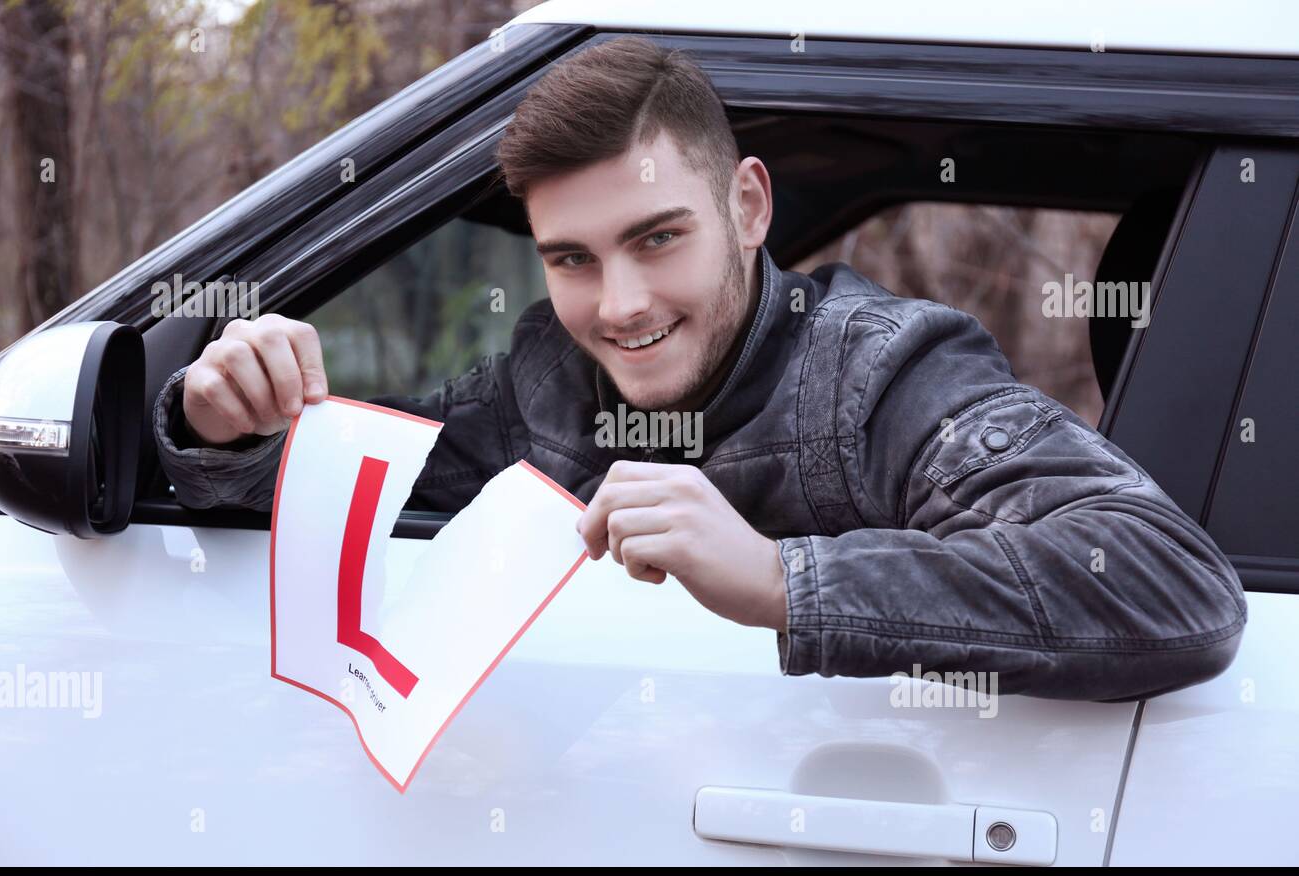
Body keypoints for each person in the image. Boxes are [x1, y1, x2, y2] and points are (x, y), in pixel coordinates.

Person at [153, 36, 1246, 701]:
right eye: (572, 259)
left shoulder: (882, 373)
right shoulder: (541, 376)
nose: (617, 305)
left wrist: (784, 583)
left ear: (749, 206)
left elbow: (1170, 582)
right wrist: (227, 424)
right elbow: (373, 491)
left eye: (658, 238)